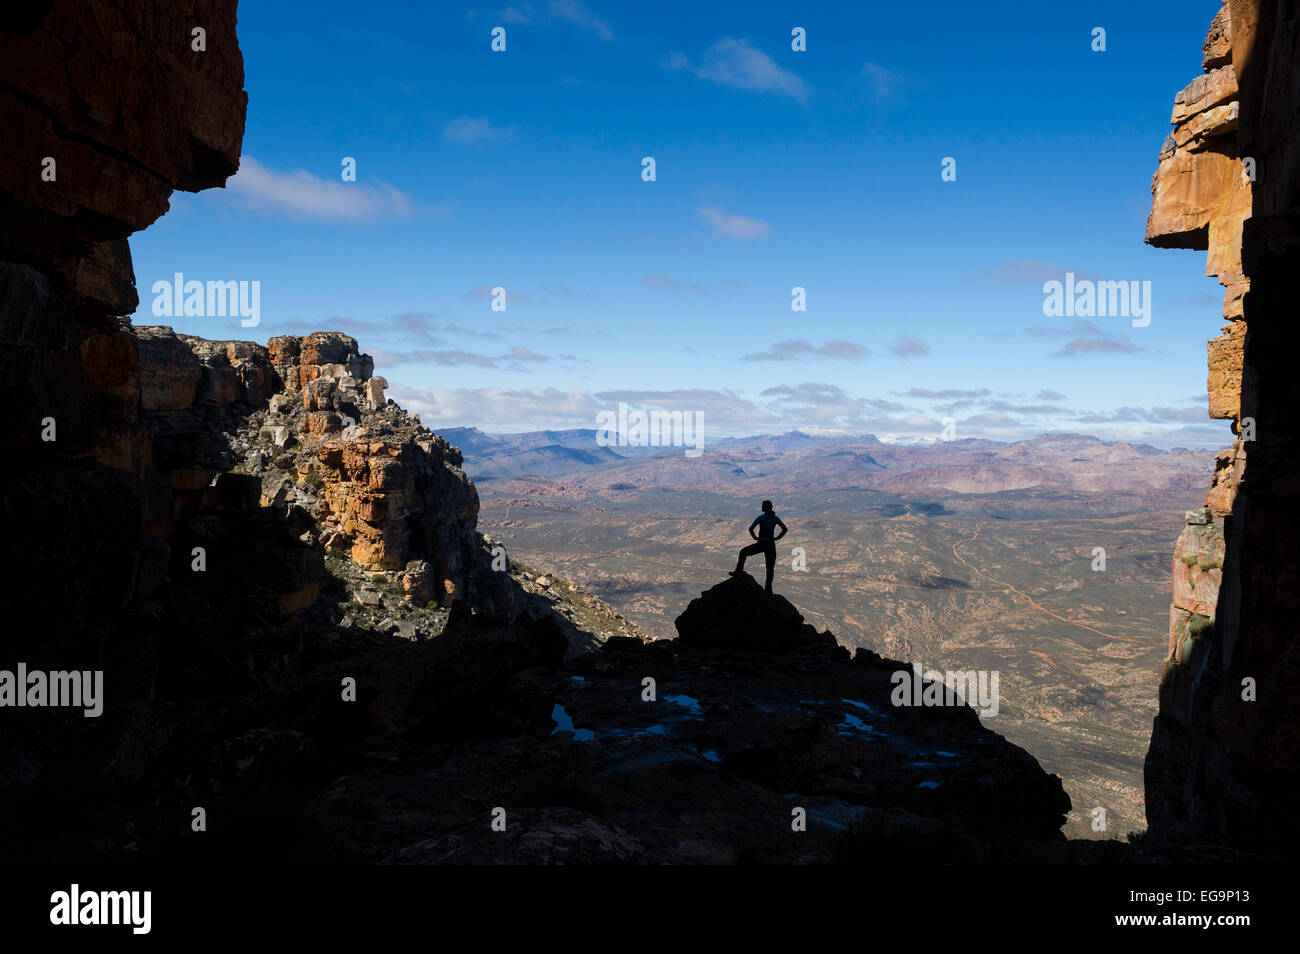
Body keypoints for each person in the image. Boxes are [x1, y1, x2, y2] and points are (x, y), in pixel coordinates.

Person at [731, 499, 787, 594]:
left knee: (743, 552)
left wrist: (754, 537)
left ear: (764, 508)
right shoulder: (775, 518)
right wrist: (777, 538)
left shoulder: (761, 518)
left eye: (762, 506)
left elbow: (751, 528)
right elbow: (784, 529)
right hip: (770, 545)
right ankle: (768, 590)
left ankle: (738, 571)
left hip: (761, 544)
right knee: (770, 569)